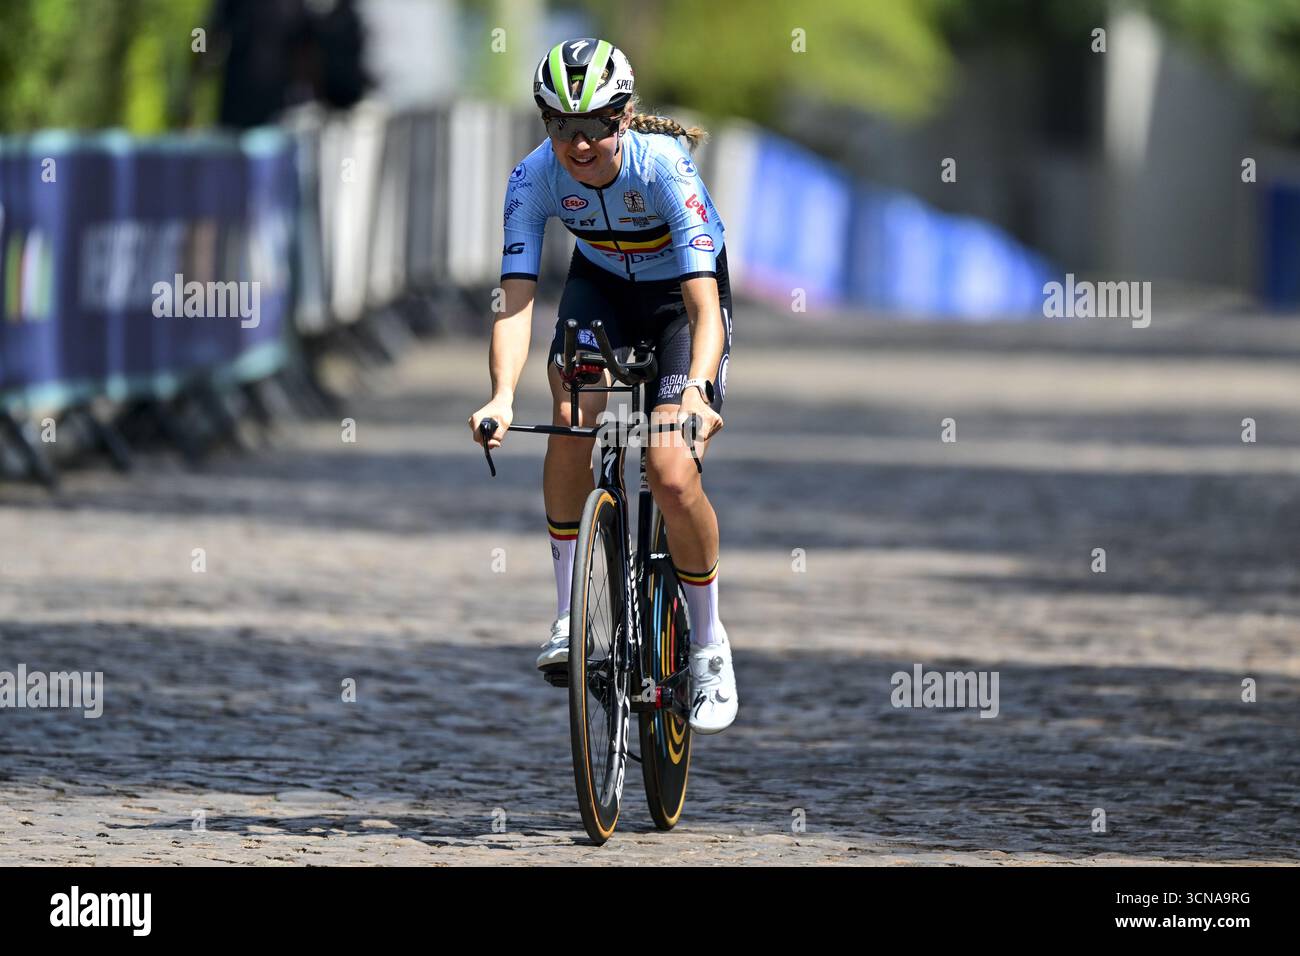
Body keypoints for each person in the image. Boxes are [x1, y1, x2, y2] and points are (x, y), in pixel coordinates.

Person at [467, 38, 737, 734]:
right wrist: (501, 395)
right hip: (602, 290)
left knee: (671, 472)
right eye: (561, 125)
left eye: (594, 125)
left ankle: (709, 641)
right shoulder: (532, 178)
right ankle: (568, 615)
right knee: (569, 419)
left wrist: (697, 389)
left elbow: (705, 309)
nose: (578, 143)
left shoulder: (664, 168)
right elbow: (515, 303)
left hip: (679, 304)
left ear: (625, 117)